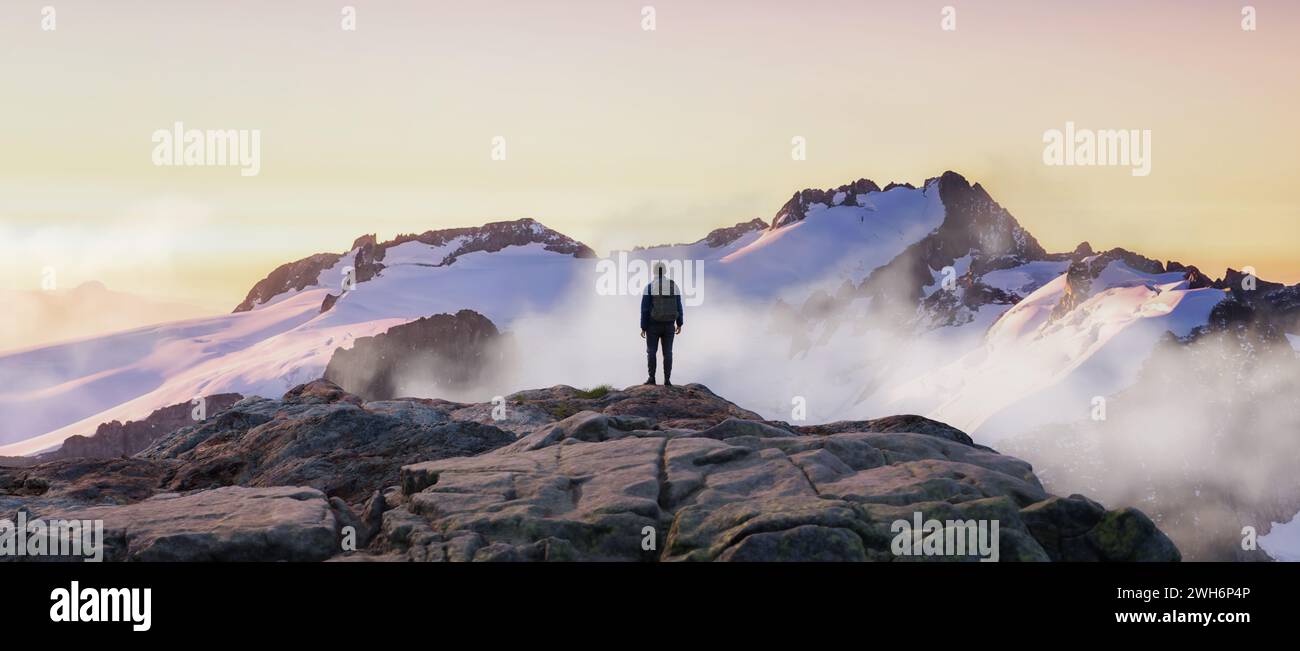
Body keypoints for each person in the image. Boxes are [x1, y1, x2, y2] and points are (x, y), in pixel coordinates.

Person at [640, 262, 683, 386]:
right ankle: (667, 380)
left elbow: (645, 309)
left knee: (651, 351)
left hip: (653, 325)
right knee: (668, 353)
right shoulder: (673, 286)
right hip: (669, 325)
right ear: (665, 272)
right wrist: (679, 323)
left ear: (654, 272)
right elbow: (679, 305)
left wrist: (643, 327)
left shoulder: (649, 287)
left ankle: (652, 378)